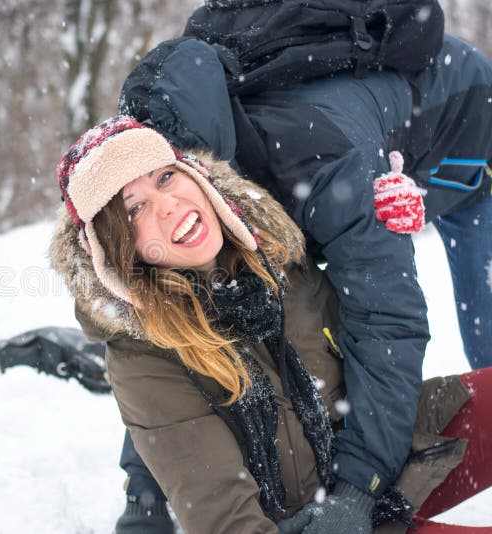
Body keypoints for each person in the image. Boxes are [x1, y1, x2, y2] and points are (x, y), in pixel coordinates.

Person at [103, 27, 492, 531]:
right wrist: (145, 497)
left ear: (201, 171)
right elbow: (161, 351)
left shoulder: (315, 159)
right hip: (386, 133)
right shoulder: (193, 210)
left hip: (463, 151)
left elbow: (387, 319)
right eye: (137, 206)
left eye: (168, 178)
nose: (170, 207)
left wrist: (359, 487)